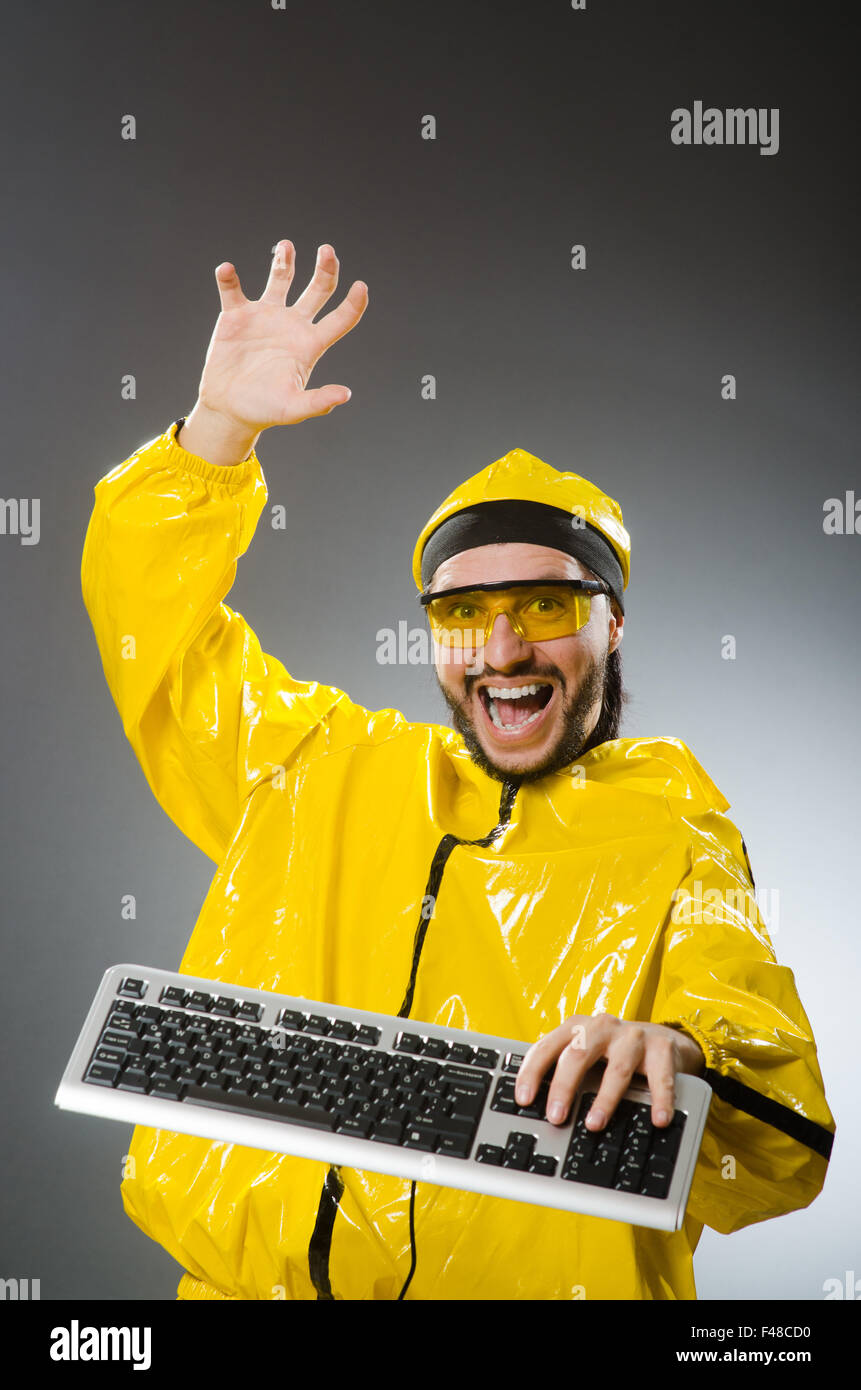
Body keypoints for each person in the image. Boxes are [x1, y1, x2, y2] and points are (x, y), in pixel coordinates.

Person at [81, 239, 835, 1301]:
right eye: (464, 613)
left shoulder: (674, 828)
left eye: (547, 605)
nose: (504, 647)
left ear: (611, 625)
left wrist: (678, 1052)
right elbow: (151, 633)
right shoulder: (322, 767)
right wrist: (217, 436)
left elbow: (780, 1136)